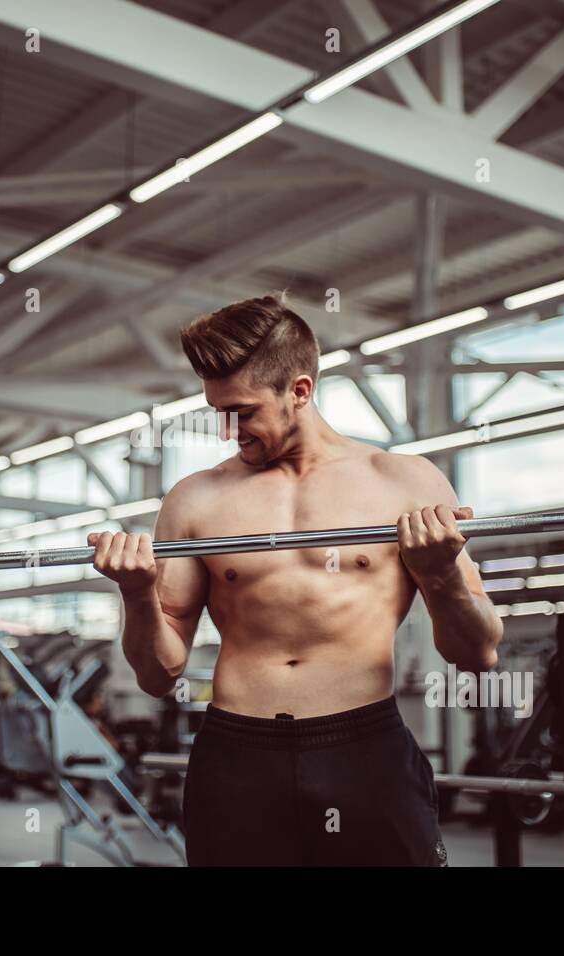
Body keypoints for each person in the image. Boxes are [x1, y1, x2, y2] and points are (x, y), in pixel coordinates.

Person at [87, 294, 502, 866]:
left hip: (364, 751)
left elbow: (478, 652)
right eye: (217, 412)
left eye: (242, 412)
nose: (226, 430)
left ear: (299, 391)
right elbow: (160, 674)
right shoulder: (194, 499)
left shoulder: (404, 483)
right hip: (236, 758)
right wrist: (135, 594)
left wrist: (443, 578)